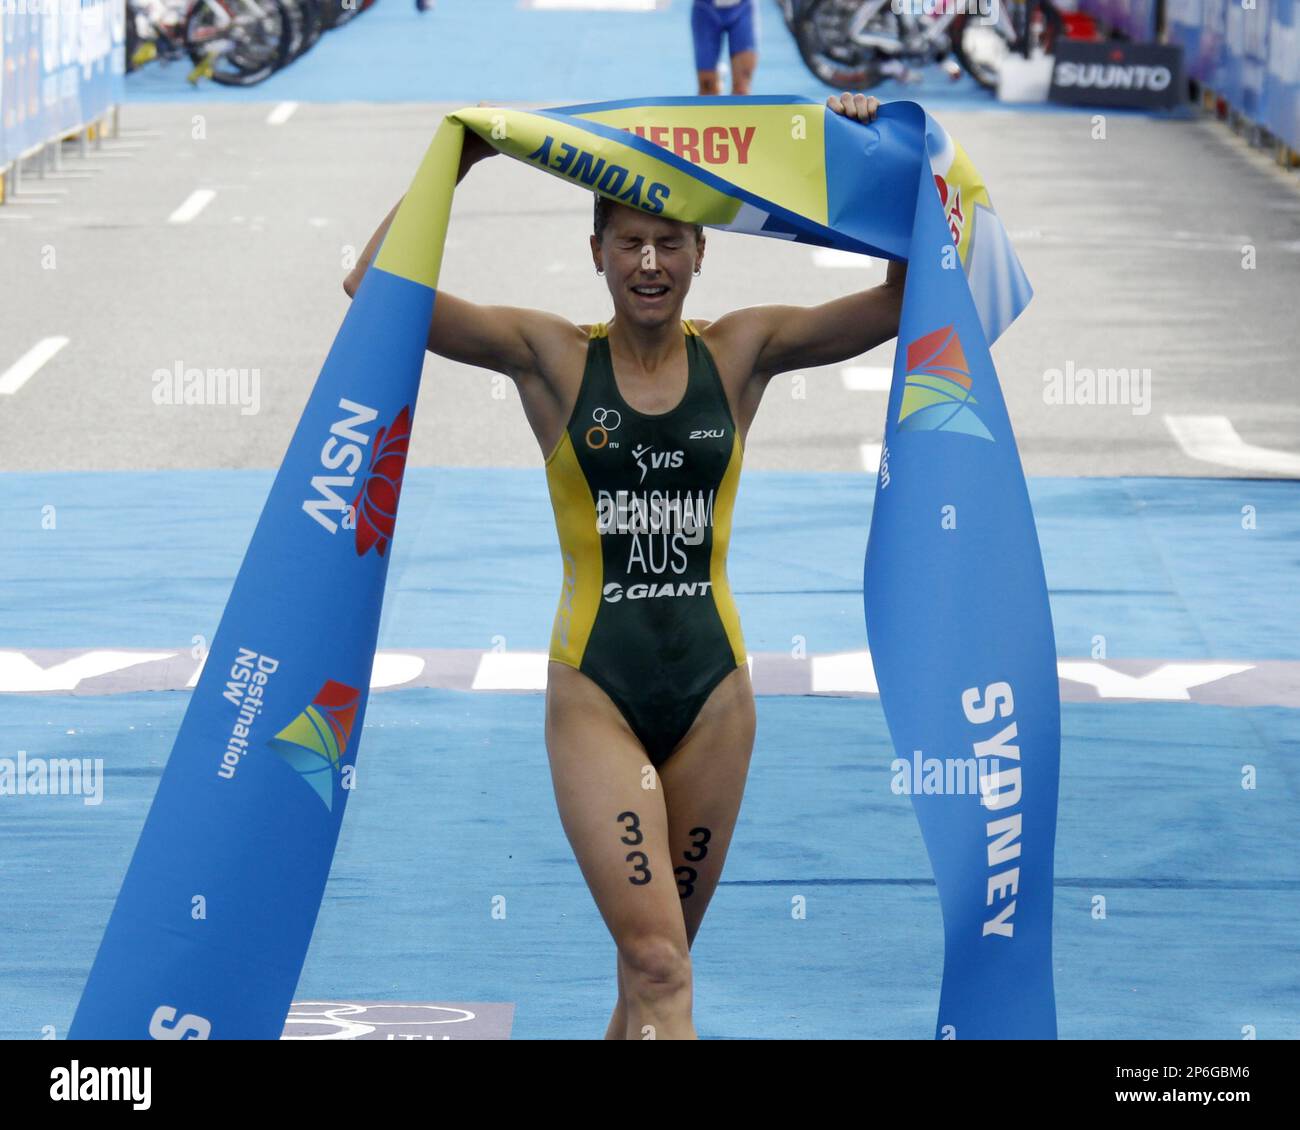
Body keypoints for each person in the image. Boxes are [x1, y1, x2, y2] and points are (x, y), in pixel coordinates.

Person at [344, 92, 905, 1040]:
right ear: (596, 252)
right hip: (596, 695)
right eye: (630, 243)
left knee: (656, 971)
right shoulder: (552, 359)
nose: (651, 263)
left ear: (701, 252)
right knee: (656, 962)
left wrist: (870, 154)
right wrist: (459, 165)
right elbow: (376, 288)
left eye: (670, 243)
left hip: (716, 702)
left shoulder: (743, 352)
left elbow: (906, 299)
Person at [692, 0, 758, 95]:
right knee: (707, 88)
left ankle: (719, 75)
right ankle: (717, 78)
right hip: (705, 10)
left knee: (742, 89)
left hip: (742, 8)